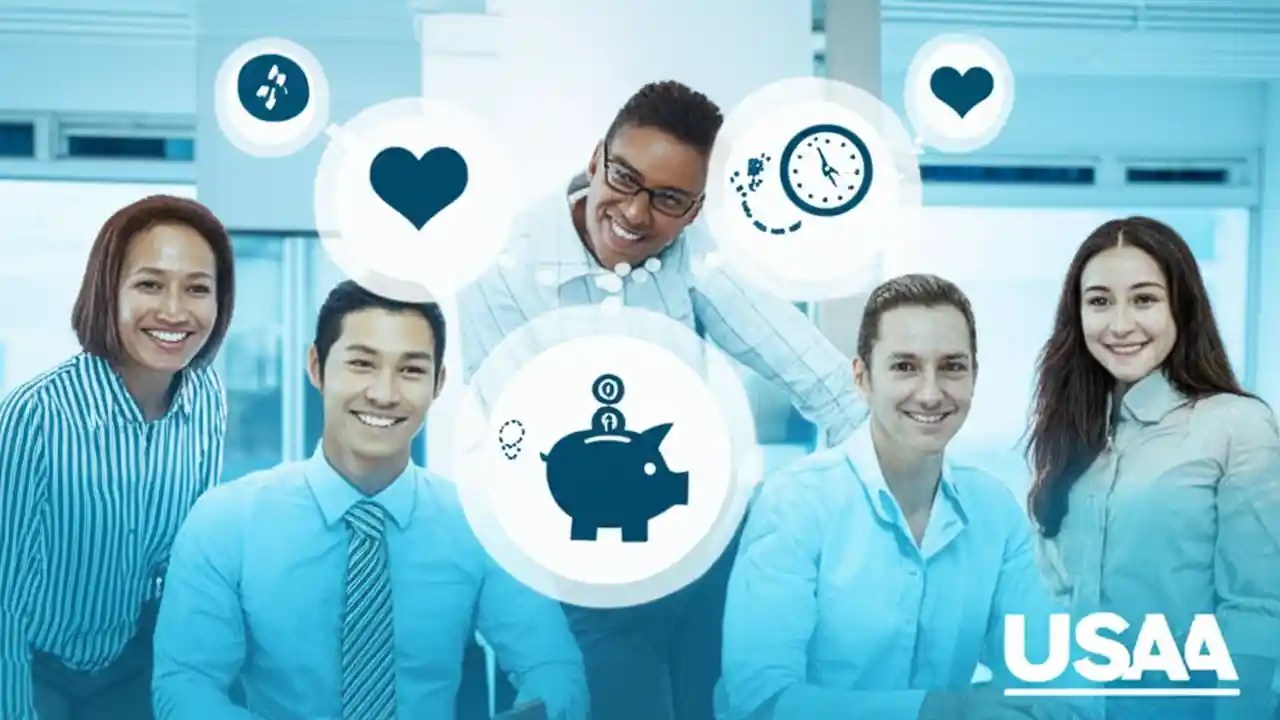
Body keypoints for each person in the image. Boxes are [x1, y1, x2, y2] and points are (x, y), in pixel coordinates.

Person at [459, 79, 865, 720]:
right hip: (584, 576)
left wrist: (891, 483)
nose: (638, 214)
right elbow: (510, 443)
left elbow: (813, 368)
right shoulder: (504, 269)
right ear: (595, 160)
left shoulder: (691, 253)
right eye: (624, 178)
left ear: (696, 210)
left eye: (669, 199)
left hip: (702, 557)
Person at [152, 280, 590, 719]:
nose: (384, 393)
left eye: (412, 370)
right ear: (316, 366)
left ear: (438, 383)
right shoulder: (226, 521)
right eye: (362, 364)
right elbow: (185, 688)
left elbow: (555, 673)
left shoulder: (481, 526)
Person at [718, 274, 1095, 720]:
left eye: (952, 366)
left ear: (975, 375)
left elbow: (1064, 685)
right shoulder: (798, 502)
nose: (932, 393)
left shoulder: (992, 510)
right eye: (905, 366)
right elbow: (760, 702)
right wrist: (940, 709)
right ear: (861, 377)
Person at [1026, 216, 1280, 720]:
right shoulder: (1068, 435)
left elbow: (1257, 609)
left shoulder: (1237, 425)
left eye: (1144, 299)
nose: (1120, 324)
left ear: (1180, 308)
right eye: (1099, 301)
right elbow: (1056, 599)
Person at [0, 195, 234, 720]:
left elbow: (182, 557)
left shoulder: (207, 400)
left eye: (197, 288)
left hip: (135, 661)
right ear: (109, 292)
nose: (174, 311)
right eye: (150, 284)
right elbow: (3, 605)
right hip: (35, 668)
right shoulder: (34, 416)